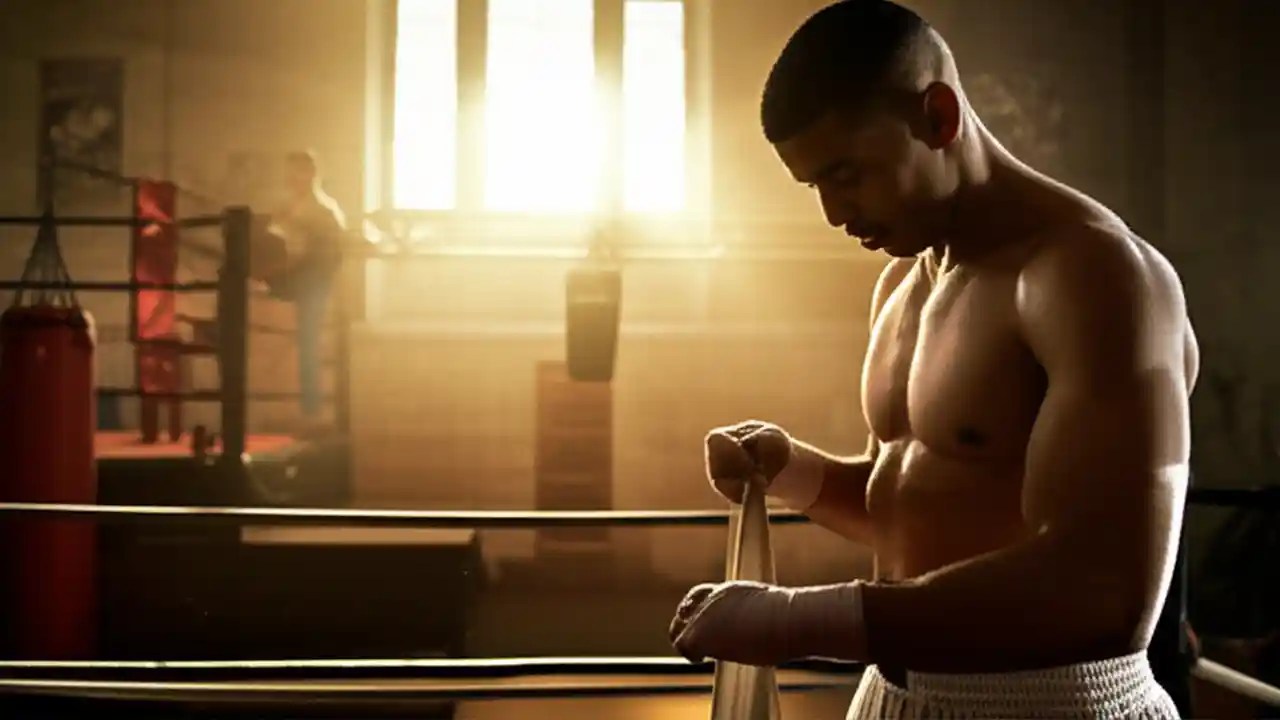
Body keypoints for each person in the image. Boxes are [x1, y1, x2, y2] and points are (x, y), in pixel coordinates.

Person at [666, 1, 1199, 717]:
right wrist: (794, 471)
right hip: (893, 695)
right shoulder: (904, 281)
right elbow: (916, 507)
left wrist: (794, 620)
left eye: (847, 173)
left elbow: (1105, 594)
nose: (833, 212)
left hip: (1049, 703)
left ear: (938, 117)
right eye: (815, 185)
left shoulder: (1094, 274)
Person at [265, 150, 346, 433]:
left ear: (311, 174)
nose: (291, 178)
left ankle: (311, 411)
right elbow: (274, 240)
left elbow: (330, 255)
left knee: (308, 343)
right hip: (289, 280)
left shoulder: (325, 211)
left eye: (297, 171)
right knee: (298, 342)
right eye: (290, 172)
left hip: (312, 282)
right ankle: (303, 409)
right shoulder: (290, 208)